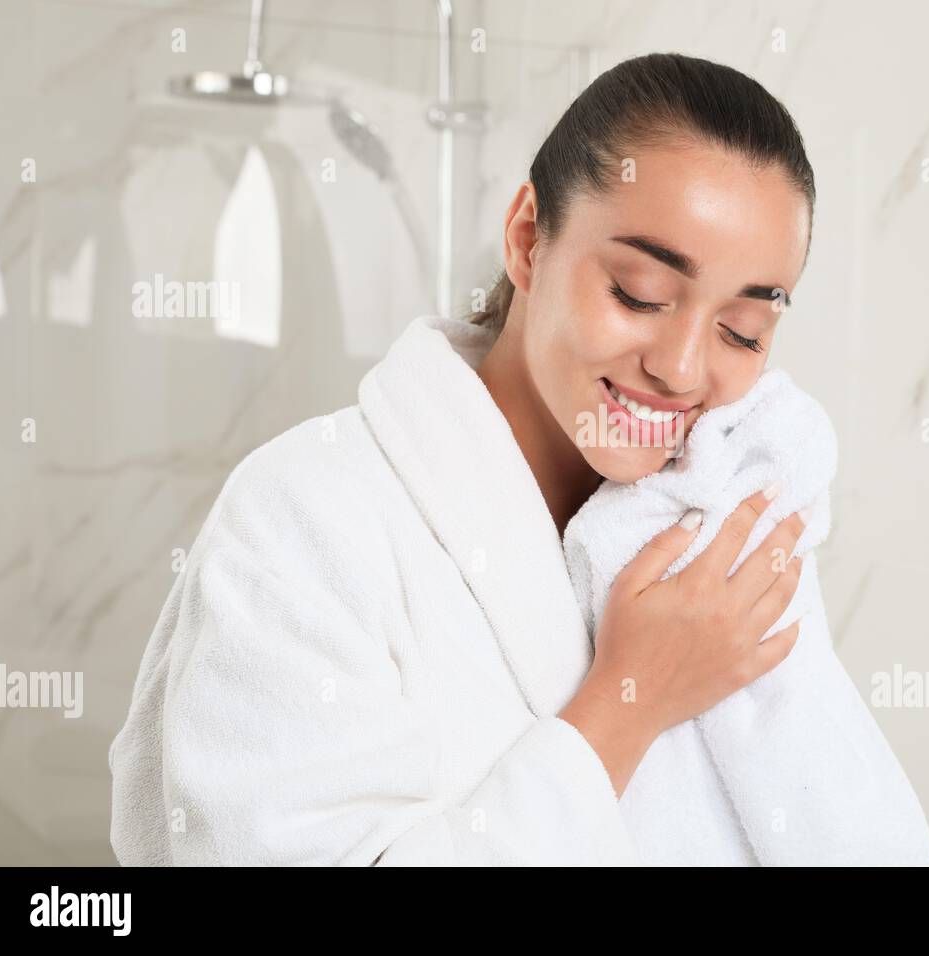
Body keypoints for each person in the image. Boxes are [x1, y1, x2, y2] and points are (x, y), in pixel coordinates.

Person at [109, 51, 824, 865]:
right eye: (640, 295)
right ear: (528, 239)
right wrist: (633, 699)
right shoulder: (302, 519)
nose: (684, 368)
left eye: (742, 332)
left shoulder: (718, 530)